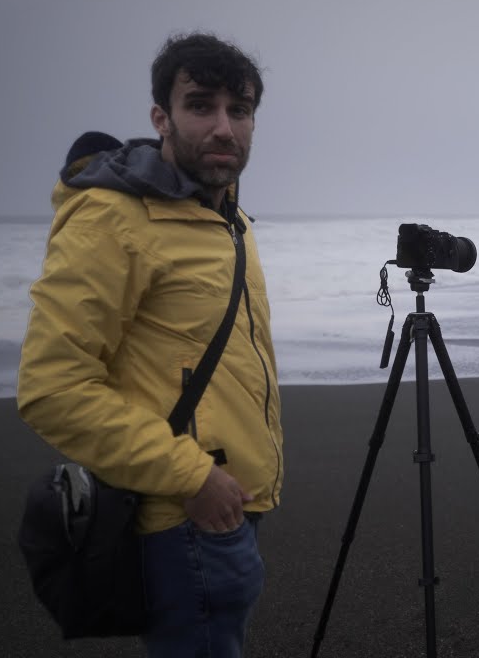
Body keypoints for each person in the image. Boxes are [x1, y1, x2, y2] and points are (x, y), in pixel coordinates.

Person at [18, 32, 283, 657]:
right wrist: (195, 477)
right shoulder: (115, 219)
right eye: (201, 105)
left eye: (239, 111)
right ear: (160, 117)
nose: (224, 127)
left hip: (228, 509)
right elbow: (52, 388)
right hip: (182, 519)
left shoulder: (222, 215)